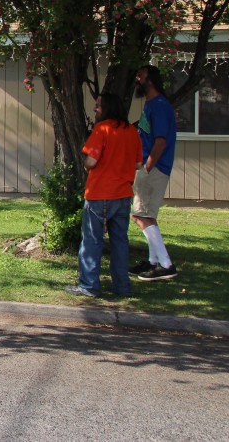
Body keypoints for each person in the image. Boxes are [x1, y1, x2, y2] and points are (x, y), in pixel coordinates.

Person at [66, 93, 142, 298]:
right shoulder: (131, 131)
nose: (95, 109)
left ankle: (89, 286)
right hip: (123, 195)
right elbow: (138, 164)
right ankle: (122, 286)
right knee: (120, 242)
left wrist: (86, 162)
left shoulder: (102, 129)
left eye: (98, 105)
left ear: (108, 107)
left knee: (92, 240)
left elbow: (90, 161)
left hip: (100, 193)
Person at [131, 64, 178, 280]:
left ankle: (166, 265)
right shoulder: (151, 105)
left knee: (140, 215)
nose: (137, 77)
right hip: (151, 166)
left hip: (154, 167)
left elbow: (160, 142)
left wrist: (147, 167)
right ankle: (153, 262)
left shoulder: (159, 105)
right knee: (148, 215)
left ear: (151, 78)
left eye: (141, 73)